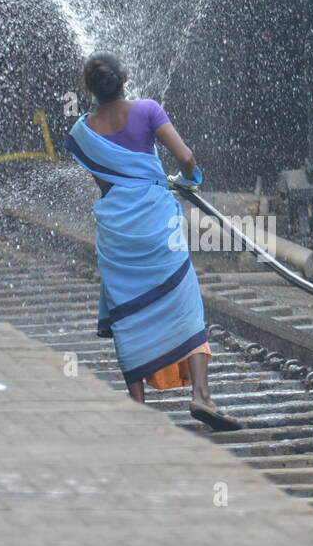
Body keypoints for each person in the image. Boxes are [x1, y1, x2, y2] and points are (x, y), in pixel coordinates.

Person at [64, 53, 242, 431]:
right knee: (185, 300)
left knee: (126, 312)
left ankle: (139, 408)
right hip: (157, 225)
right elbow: (186, 156)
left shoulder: (83, 132)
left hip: (117, 232)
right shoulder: (148, 110)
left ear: (89, 89)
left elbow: (107, 183)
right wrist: (189, 178)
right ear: (126, 77)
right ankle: (201, 396)